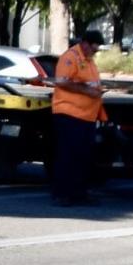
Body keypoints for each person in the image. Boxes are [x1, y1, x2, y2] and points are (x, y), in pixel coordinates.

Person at [48, 29, 108, 206]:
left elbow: (91, 83)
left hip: (86, 116)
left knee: (82, 156)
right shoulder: (70, 57)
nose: (94, 52)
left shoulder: (89, 61)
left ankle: (78, 193)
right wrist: (87, 90)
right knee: (68, 155)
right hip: (69, 112)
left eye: (97, 50)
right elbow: (62, 81)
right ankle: (62, 194)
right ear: (84, 43)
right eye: (93, 48)